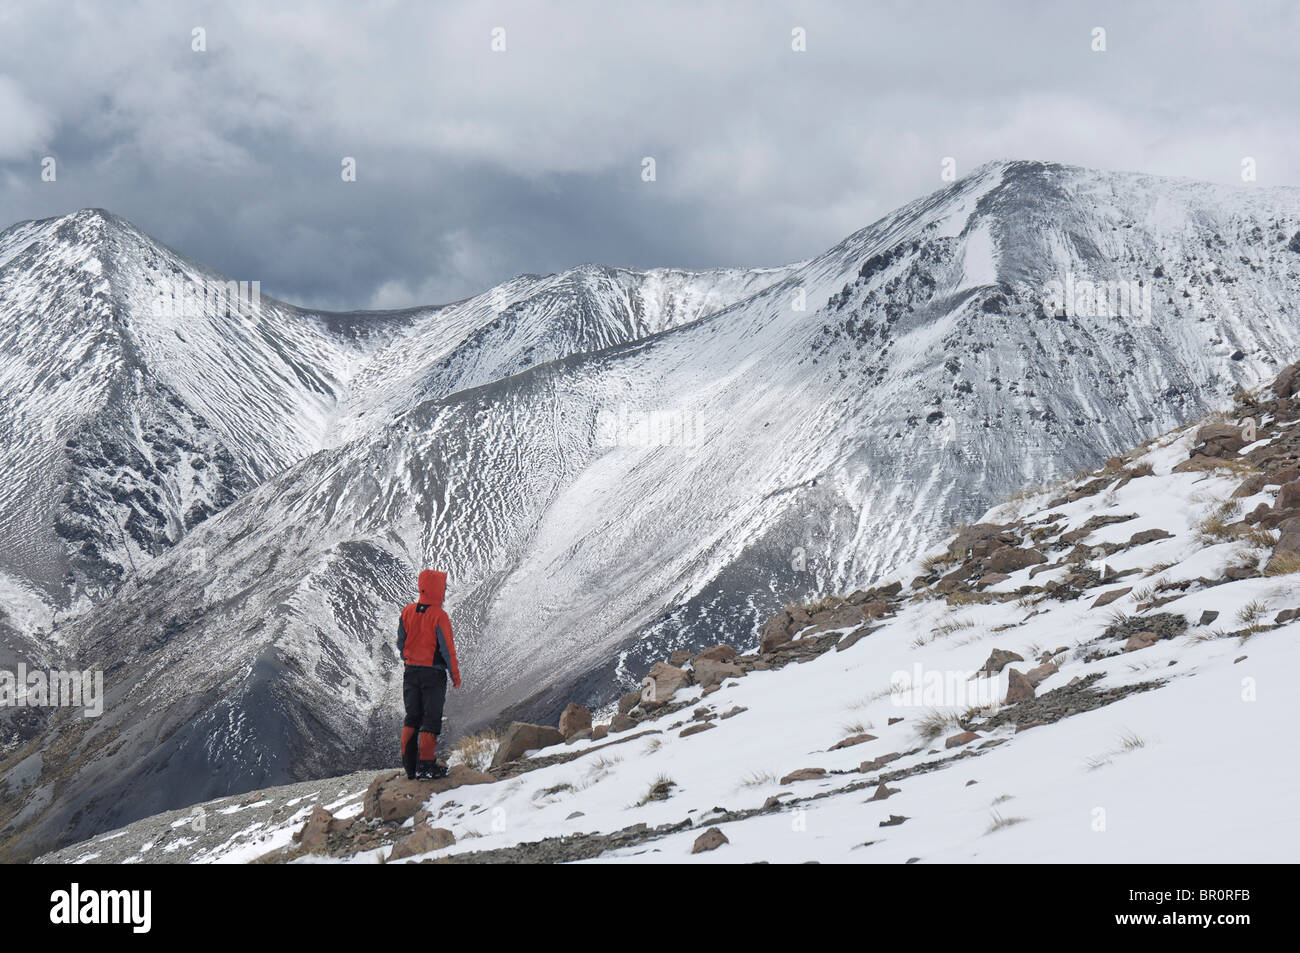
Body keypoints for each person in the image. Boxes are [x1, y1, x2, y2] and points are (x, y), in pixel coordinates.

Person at [397, 569, 462, 780]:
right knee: (430, 719)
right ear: (438, 590)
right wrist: (455, 675)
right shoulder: (439, 616)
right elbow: (447, 649)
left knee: (412, 717)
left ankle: (410, 767)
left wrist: (408, 659)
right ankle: (426, 766)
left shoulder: (407, 611)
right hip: (433, 674)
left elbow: (401, 642)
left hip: (411, 671)